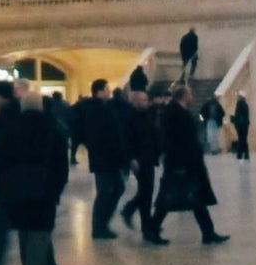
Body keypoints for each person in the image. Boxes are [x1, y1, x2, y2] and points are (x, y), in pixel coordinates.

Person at [0, 83, 69, 265]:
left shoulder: (10, 128)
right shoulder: (53, 130)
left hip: (15, 190)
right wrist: (56, 190)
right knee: (39, 236)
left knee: (25, 234)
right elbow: (61, 167)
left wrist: (1, 188)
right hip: (44, 190)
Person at [145, 84, 226, 247]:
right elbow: (178, 140)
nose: (192, 96)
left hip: (185, 162)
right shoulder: (176, 113)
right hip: (181, 163)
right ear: (183, 95)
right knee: (169, 198)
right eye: (190, 93)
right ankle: (152, 229)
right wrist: (185, 162)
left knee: (195, 198)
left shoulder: (175, 112)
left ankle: (208, 232)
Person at [74, 79, 126, 239]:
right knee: (105, 191)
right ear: (99, 91)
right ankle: (99, 226)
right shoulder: (94, 109)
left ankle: (103, 224)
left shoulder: (104, 107)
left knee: (117, 188)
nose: (109, 92)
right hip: (103, 157)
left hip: (110, 157)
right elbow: (97, 134)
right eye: (106, 89)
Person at [117, 88, 159, 229]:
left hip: (148, 157)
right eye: (144, 100)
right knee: (146, 190)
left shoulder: (146, 115)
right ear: (135, 102)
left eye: (147, 100)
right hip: (139, 159)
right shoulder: (129, 117)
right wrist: (131, 158)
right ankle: (140, 219)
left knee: (146, 190)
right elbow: (126, 140)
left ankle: (142, 220)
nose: (147, 103)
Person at [229, 94, 251, 161]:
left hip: (240, 125)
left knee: (241, 139)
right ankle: (246, 154)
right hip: (245, 125)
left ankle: (240, 154)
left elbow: (238, 115)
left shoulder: (239, 105)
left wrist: (234, 119)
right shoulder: (246, 105)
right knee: (244, 139)